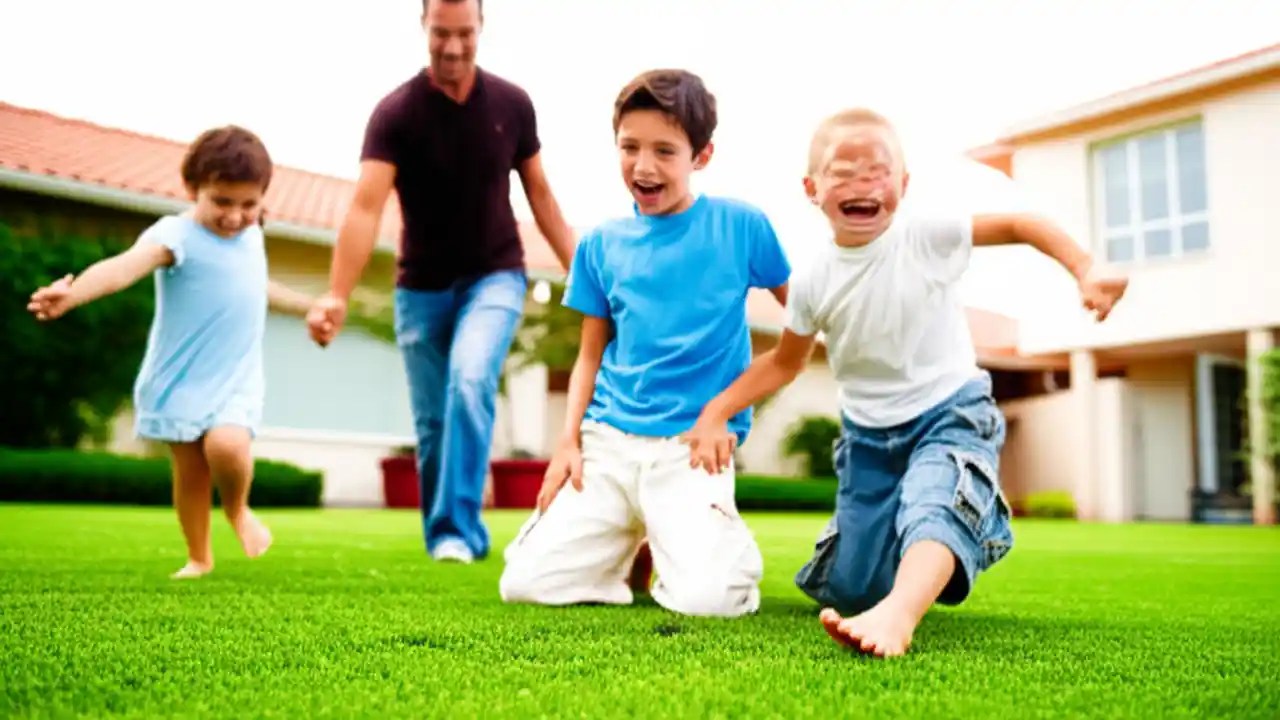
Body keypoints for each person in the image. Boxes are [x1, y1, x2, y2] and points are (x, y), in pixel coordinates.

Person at [683, 108, 1130, 653]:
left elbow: (1019, 224)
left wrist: (1086, 268)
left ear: (903, 184)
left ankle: (906, 603)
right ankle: (915, 542)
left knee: (935, 501)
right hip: (870, 440)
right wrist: (714, 411)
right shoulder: (814, 281)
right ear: (812, 188)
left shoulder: (925, 236)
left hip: (950, 411)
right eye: (843, 172)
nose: (862, 184)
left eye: (877, 171)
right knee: (849, 589)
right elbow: (784, 362)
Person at [498, 68, 791, 618]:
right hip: (608, 441)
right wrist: (568, 444)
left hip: (691, 449)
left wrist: (725, 411)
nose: (643, 165)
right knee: (524, 583)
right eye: (629, 147)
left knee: (709, 601)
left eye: (664, 150)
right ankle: (627, 546)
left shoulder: (743, 227)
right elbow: (590, 355)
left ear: (700, 156)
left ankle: (699, 544)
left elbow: (801, 322)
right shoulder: (601, 245)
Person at [305, 0, 578, 564]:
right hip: (421, 287)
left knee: (471, 377)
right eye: (440, 34)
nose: (452, 47)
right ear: (423, 28)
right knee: (431, 423)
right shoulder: (396, 114)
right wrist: (336, 292)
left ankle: (456, 528)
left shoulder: (511, 105)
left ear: (481, 28)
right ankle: (448, 536)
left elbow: (542, 196)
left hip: (495, 276)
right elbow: (363, 208)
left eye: (464, 34)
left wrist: (581, 270)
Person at [27, 125, 316, 579]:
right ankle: (199, 557)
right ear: (193, 188)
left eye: (248, 204)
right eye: (222, 201)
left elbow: (255, 287)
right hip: (180, 375)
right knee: (191, 472)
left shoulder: (253, 234)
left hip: (235, 374)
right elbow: (123, 269)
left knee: (227, 442)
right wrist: (73, 293)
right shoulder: (175, 235)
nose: (235, 216)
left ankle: (238, 510)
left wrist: (308, 307)